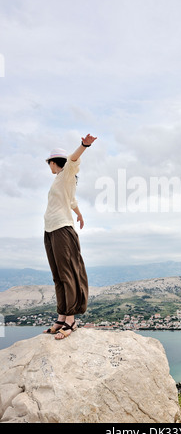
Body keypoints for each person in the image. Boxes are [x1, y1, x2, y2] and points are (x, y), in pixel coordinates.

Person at [43, 133, 97, 340]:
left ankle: (71, 321)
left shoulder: (66, 173)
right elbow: (72, 200)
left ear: (53, 162)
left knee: (67, 274)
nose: (49, 167)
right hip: (50, 229)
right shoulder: (60, 181)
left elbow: (73, 160)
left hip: (62, 229)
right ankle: (61, 317)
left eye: (49, 163)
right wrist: (80, 214)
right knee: (57, 275)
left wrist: (84, 145)